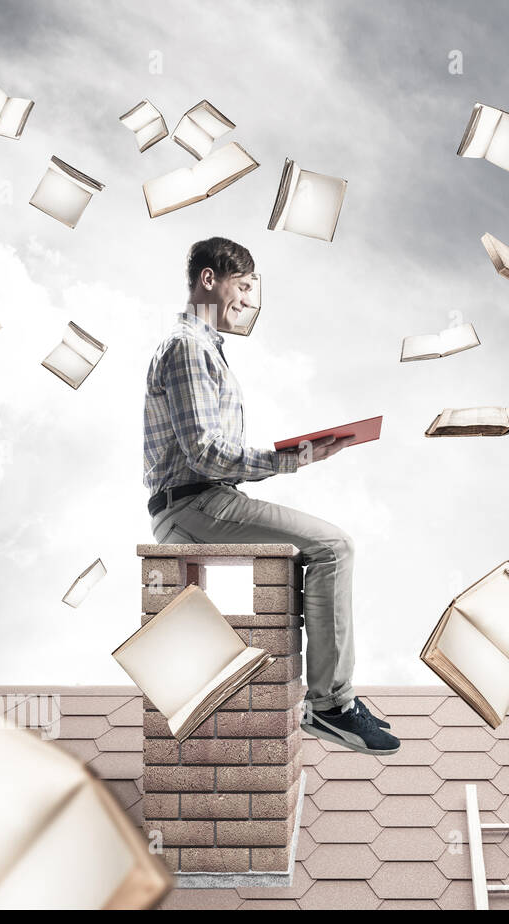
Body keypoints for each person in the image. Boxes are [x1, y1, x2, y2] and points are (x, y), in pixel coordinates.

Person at [143, 236, 398, 755]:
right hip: (194, 504)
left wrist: (301, 452)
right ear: (209, 279)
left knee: (321, 547)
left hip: (202, 500)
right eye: (242, 288)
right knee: (334, 548)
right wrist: (292, 458)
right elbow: (207, 456)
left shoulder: (205, 350)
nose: (247, 304)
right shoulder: (188, 346)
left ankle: (328, 697)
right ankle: (330, 706)